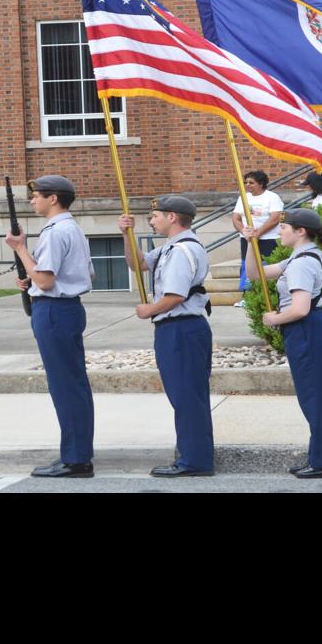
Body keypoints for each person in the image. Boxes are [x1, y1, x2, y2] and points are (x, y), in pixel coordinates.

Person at [5, 175, 95, 479]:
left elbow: (46, 280)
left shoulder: (56, 232)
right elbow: (84, 275)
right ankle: (77, 452)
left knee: (66, 386)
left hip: (54, 310)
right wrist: (31, 274)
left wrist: (20, 250)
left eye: (36, 195)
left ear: (53, 198)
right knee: (73, 385)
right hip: (66, 308)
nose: (32, 200)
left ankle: (76, 459)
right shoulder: (72, 229)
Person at [119, 195, 215, 478]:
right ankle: (193, 456)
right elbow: (137, 265)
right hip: (178, 329)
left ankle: (195, 461)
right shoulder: (170, 248)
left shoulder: (181, 251)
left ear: (172, 217)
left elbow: (175, 295)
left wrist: (149, 309)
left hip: (182, 328)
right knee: (184, 396)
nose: (150, 220)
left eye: (155, 216)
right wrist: (127, 234)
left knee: (187, 396)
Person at [259, 208, 322, 479]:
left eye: (284, 227)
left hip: (307, 330)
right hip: (307, 332)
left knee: (316, 399)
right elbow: (256, 273)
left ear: (301, 231)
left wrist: (274, 319)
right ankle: (321, 456)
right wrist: (251, 241)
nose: (280, 231)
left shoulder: (302, 263)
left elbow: (300, 309)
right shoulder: (298, 257)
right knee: (314, 397)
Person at [231, 170, 284, 286]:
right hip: (247, 239)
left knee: (267, 265)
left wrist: (258, 233)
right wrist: (244, 231)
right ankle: (247, 294)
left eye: (251, 182)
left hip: (268, 239)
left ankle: (267, 292)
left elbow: (275, 218)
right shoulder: (243, 198)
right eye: (246, 182)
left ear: (261, 184)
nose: (247, 185)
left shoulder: (272, 197)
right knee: (247, 265)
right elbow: (236, 218)